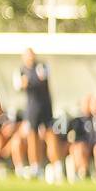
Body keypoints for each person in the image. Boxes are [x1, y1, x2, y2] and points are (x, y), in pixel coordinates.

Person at [16, 48, 58, 181]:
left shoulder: (41, 67)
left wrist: (29, 82)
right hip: (31, 109)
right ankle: (35, 166)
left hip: (45, 108)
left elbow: (41, 79)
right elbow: (19, 85)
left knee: (49, 134)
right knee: (32, 136)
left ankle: (56, 164)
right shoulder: (21, 71)